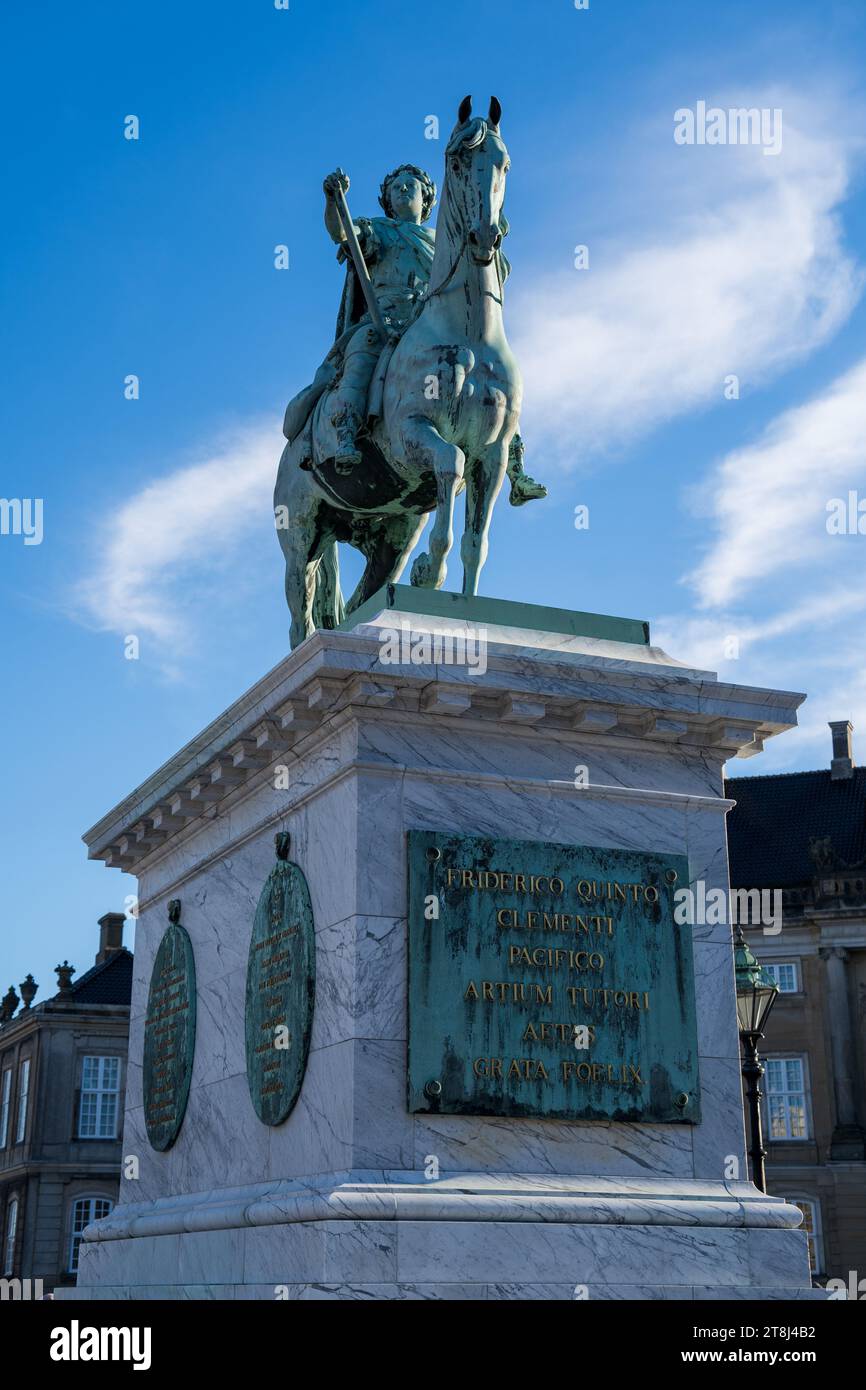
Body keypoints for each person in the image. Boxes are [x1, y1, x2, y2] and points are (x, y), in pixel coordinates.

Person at [284, 163, 546, 503]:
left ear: (427, 199)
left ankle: (514, 465)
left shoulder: (446, 241)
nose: (405, 191)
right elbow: (342, 234)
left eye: (412, 186)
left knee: (490, 375)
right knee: (362, 354)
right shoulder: (379, 229)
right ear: (389, 201)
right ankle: (347, 432)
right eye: (397, 188)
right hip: (385, 321)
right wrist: (333, 201)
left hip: (432, 322)